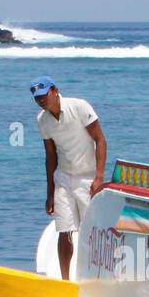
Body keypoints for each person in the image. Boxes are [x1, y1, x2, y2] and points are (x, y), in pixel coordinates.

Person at [32, 75, 108, 280]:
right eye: (37, 98)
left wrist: (99, 177)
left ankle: (93, 279)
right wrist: (50, 194)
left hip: (87, 177)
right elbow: (50, 156)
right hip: (63, 177)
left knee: (90, 231)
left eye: (43, 95)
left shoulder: (79, 107)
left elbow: (100, 140)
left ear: (55, 90)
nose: (41, 101)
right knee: (64, 231)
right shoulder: (43, 120)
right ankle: (65, 283)